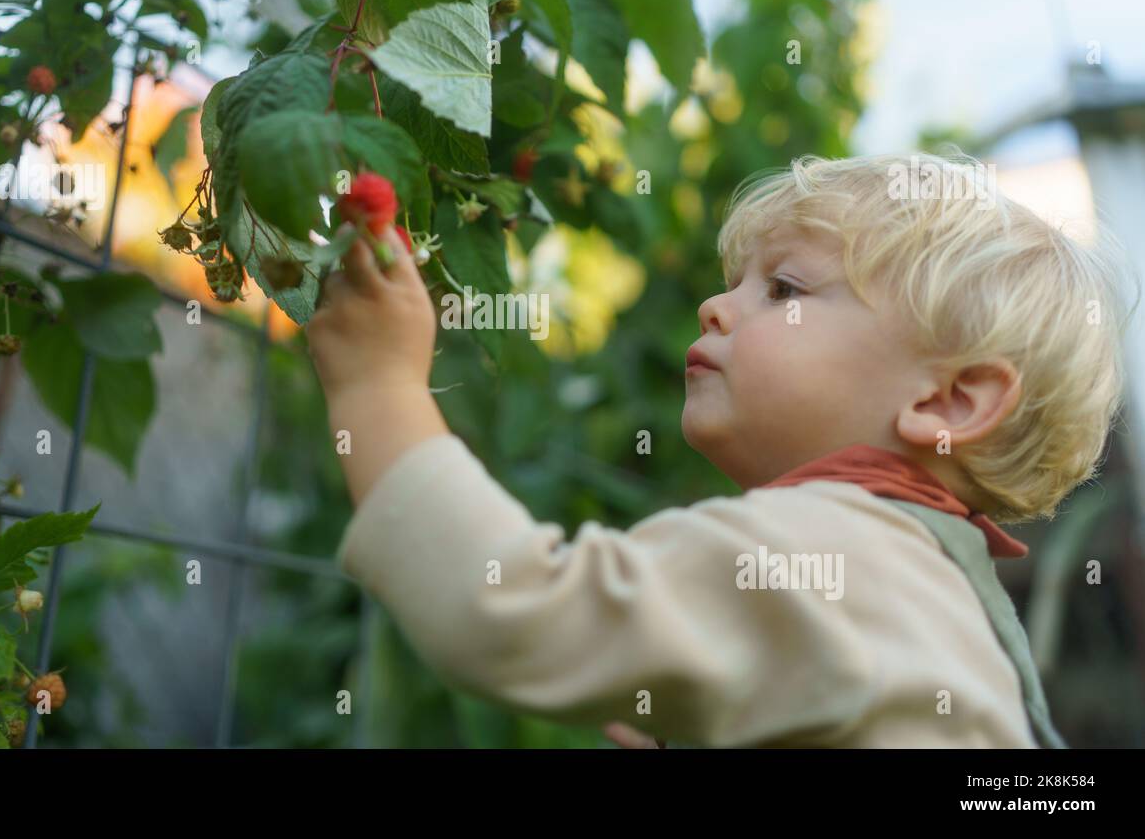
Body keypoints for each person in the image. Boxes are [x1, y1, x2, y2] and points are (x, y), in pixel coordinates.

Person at [305, 152, 1135, 748]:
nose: (713, 305)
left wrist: (377, 386)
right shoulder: (949, 605)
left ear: (946, 401)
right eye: (735, 281)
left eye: (784, 289)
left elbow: (516, 612)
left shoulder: (835, 544)